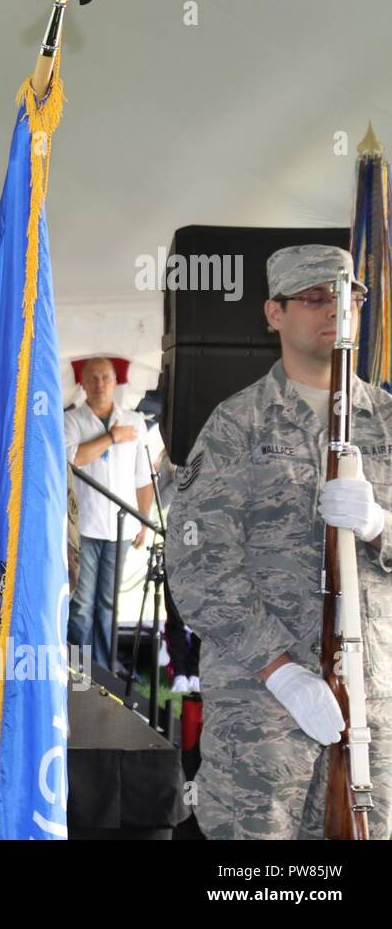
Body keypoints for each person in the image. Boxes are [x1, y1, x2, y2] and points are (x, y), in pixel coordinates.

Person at [167, 244, 392, 839]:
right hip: (261, 711)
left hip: (375, 710)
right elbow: (199, 567)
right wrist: (282, 672)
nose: (334, 311)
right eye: (315, 297)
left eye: (348, 298)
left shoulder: (388, 425)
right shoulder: (238, 424)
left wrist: (379, 526)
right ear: (274, 313)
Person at [63, 357, 155, 668]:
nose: (100, 384)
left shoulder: (135, 421)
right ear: (83, 384)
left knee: (109, 604)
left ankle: (103, 672)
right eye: (93, 378)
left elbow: (142, 478)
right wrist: (112, 438)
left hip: (123, 528)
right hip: (85, 528)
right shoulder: (72, 421)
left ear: (116, 383)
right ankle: (78, 669)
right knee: (82, 604)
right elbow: (72, 460)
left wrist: (145, 520)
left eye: (106, 378)